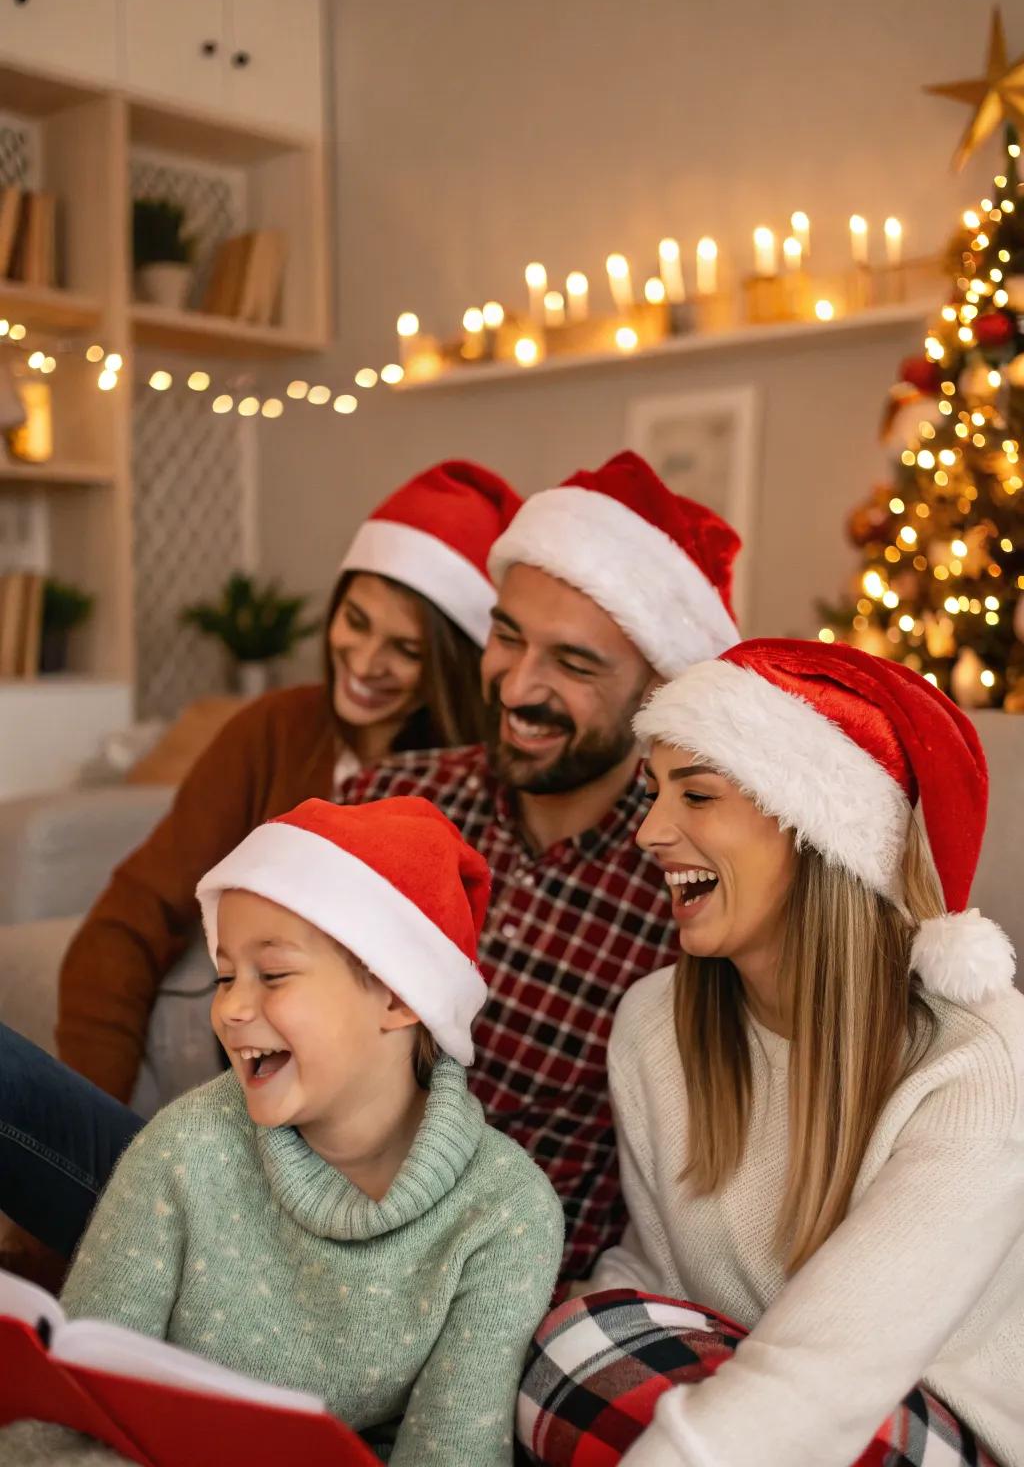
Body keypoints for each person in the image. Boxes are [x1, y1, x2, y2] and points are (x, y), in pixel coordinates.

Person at [0, 451, 742, 1282]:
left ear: (657, 689)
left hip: (450, 1290)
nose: (517, 686)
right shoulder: (389, 798)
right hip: (247, 1222)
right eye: (506, 637)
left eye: (572, 664)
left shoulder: (685, 881)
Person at [517, 639, 1023, 1467]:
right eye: (654, 792)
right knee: (576, 1346)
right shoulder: (653, 1023)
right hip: (744, 1385)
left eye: (697, 795)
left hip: (919, 1426)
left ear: (814, 829)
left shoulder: (981, 1060)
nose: (649, 832)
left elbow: (832, 1371)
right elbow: (651, 1278)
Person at [10, 798, 564, 1467]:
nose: (230, 1009)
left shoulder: (507, 1213)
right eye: (224, 977)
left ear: (398, 996)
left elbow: (452, 1453)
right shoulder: (186, 1146)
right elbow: (68, 1415)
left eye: (272, 975)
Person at [57, 458, 522, 1104]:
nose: (365, 662)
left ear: (452, 664)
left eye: (406, 649)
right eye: (355, 620)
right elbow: (132, 916)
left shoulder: (470, 786)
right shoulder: (273, 729)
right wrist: (93, 1111)